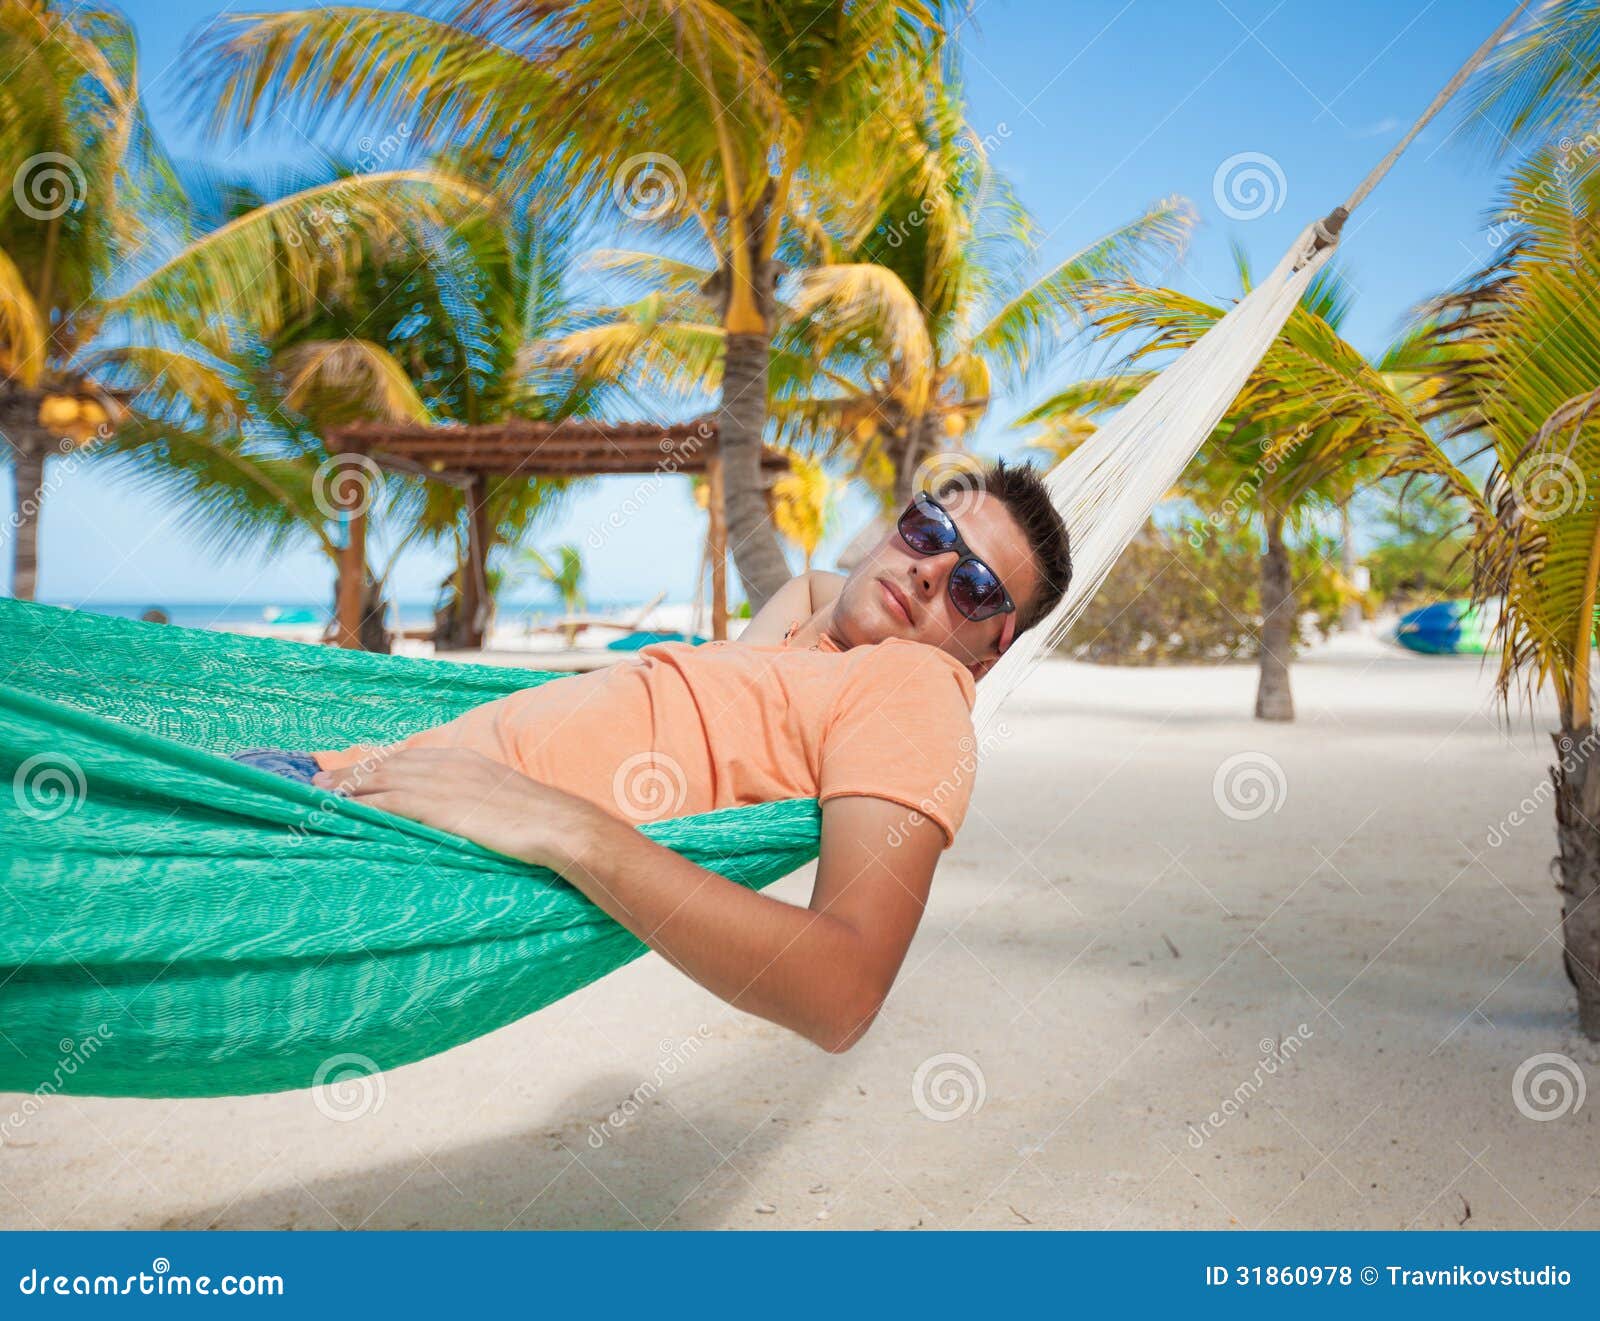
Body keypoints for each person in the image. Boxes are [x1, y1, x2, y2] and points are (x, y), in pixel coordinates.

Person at [238, 459, 1071, 1052]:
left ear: (988, 654)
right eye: (927, 528)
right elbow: (821, 587)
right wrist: (846, 608)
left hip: (361, 843)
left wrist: (558, 825)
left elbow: (843, 991)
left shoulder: (914, 686)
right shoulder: (808, 636)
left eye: (974, 587)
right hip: (310, 774)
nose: (929, 571)